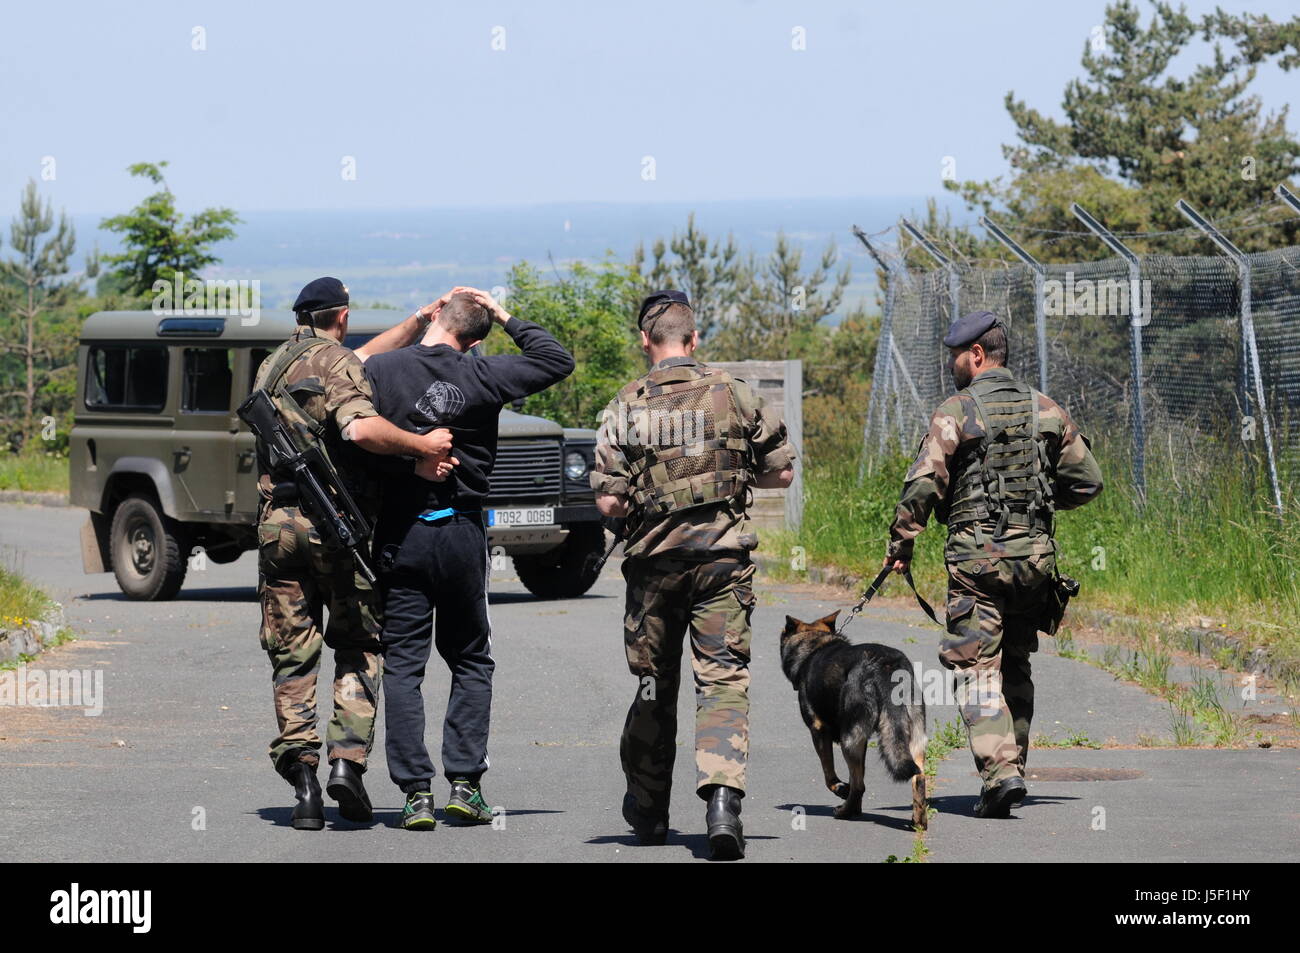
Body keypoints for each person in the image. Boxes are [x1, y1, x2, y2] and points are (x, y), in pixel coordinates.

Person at [591, 289, 796, 860]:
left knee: (654, 687)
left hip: (654, 568)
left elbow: (607, 502)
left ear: (645, 342)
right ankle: (723, 806)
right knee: (723, 682)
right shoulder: (735, 391)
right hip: (722, 565)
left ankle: (650, 812)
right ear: (694, 339)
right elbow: (781, 475)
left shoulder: (626, 403)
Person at [363, 287, 575, 831]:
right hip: (460, 534)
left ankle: (415, 796)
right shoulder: (484, 374)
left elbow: (352, 429)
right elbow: (556, 360)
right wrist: (505, 314)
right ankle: (464, 784)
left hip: (399, 534)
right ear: (477, 339)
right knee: (470, 659)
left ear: (437, 316)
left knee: (404, 666)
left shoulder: (383, 370)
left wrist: (406, 468)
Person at [254, 276, 457, 831]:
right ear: (342, 317)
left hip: (278, 529)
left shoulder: (274, 365)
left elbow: (358, 357)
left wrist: (417, 320)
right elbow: (363, 428)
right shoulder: (339, 363)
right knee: (359, 644)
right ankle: (347, 762)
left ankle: (303, 783)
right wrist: (423, 447)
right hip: (333, 529)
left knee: (293, 655)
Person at [883, 310, 1103, 819]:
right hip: (1035, 563)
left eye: (956, 357)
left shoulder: (955, 411)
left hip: (976, 563)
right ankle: (1011, 773)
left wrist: (902, 543)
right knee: (1017, 665)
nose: (952, 367)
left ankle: (1000, 772)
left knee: (976, 667)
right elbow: (1088, 482)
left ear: (977, 355)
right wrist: (1039, 508)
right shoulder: (1046, 409)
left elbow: (923, 485)